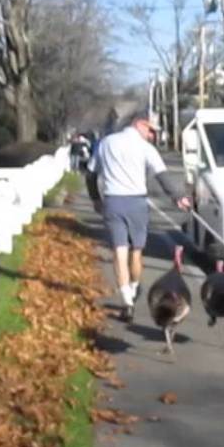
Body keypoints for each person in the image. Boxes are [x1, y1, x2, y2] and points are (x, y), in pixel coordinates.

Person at [88, 111, 191, 318]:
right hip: (136, 202)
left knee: (119, 251)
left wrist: (96, 198)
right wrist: (178, 197)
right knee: (136, 252)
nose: (152, 135)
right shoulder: (145, 148)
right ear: (139, 124)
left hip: (112, 201)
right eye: (150, 130)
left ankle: (126, 299)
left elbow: (91, 174)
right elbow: (162, 176)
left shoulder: (106, 143)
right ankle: (133, 288)